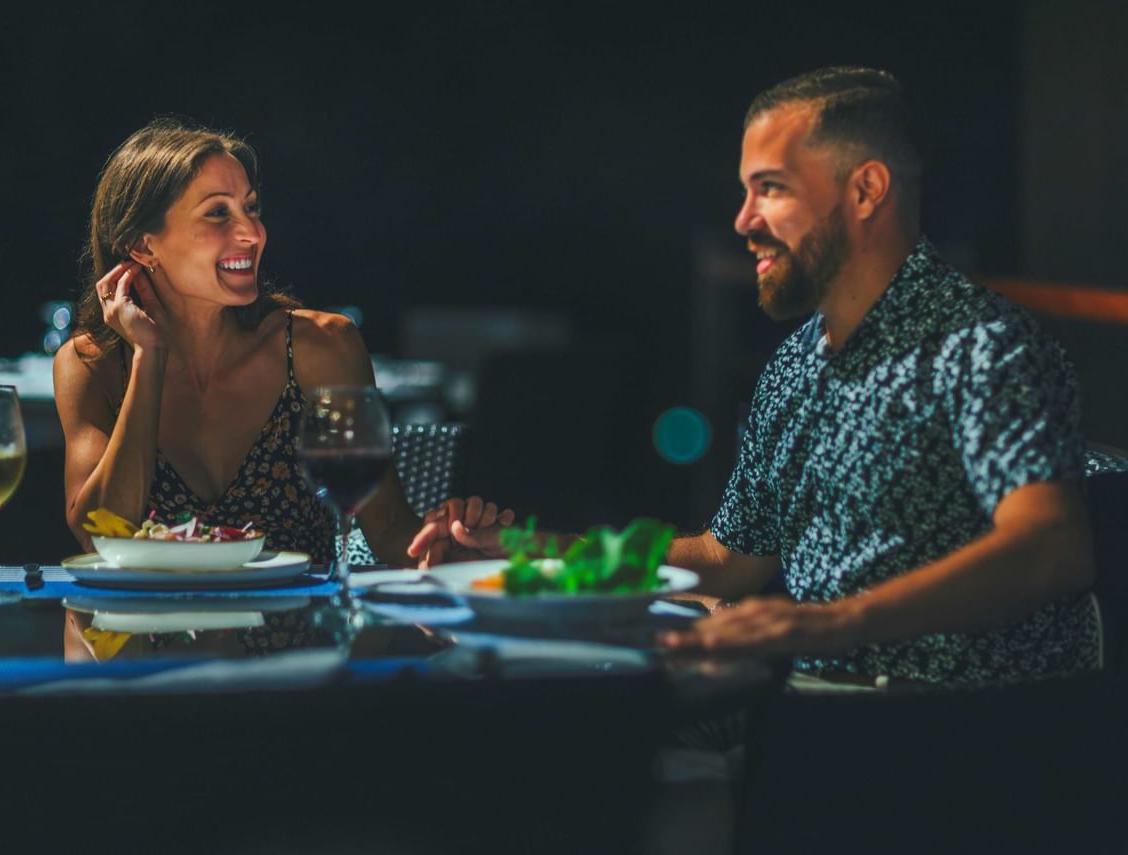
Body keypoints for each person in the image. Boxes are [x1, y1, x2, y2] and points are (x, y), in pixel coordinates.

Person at [410, 67, 1100, 686]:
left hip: (959, 743)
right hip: (814, 710)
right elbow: (723, 557)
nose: (743, 220)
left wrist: (830, 623)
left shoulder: (983, 345)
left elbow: (1052, 547)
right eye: (747, 191)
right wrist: (530, 554)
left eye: (769, 189)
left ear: (865, 189)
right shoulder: (799, 360)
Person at [54, 117, 510, 578]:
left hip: (298, 643)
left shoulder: (321, 347)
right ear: (141, 244)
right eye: (218, 213)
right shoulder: (90, 365)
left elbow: (392, 533)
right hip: (145, 639)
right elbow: (99, 538)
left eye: (251, 208)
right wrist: (148, 359)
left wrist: (452, 543)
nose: (252, 233)